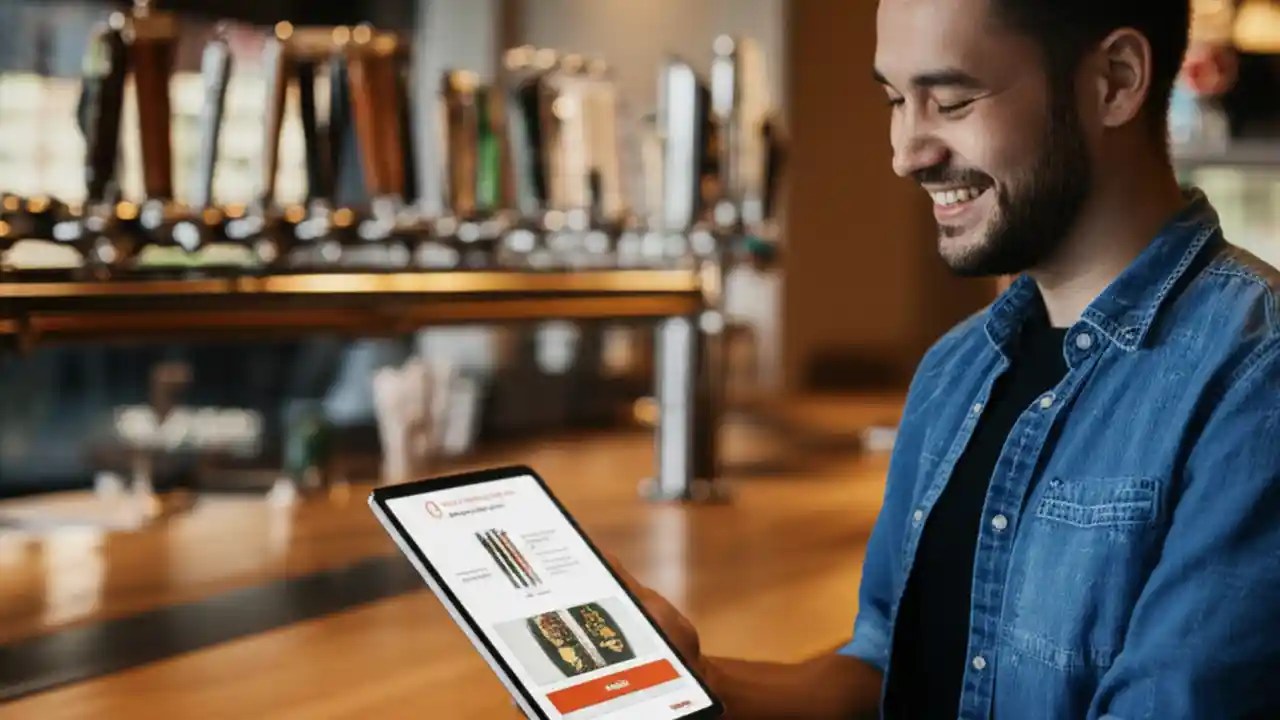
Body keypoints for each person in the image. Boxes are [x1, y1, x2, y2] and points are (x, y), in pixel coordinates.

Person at [614, 0, 1280, 717]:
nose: (905, 151)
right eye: (898, 101)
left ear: (1115, 81)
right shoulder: (955, 369)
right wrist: (690, 684)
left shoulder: (1255, 374)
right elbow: (886, 671)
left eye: (952, 101)